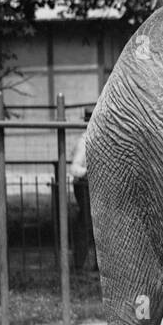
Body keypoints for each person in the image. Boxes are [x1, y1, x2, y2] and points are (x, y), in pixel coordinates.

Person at [69, 110, 95, 272]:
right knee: (86, 222)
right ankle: (79, 264)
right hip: (84, 185)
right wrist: (89, 172)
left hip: (95, 186)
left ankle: (97, 266)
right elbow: (75, 167)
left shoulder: (101, 139)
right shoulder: (84, 141)